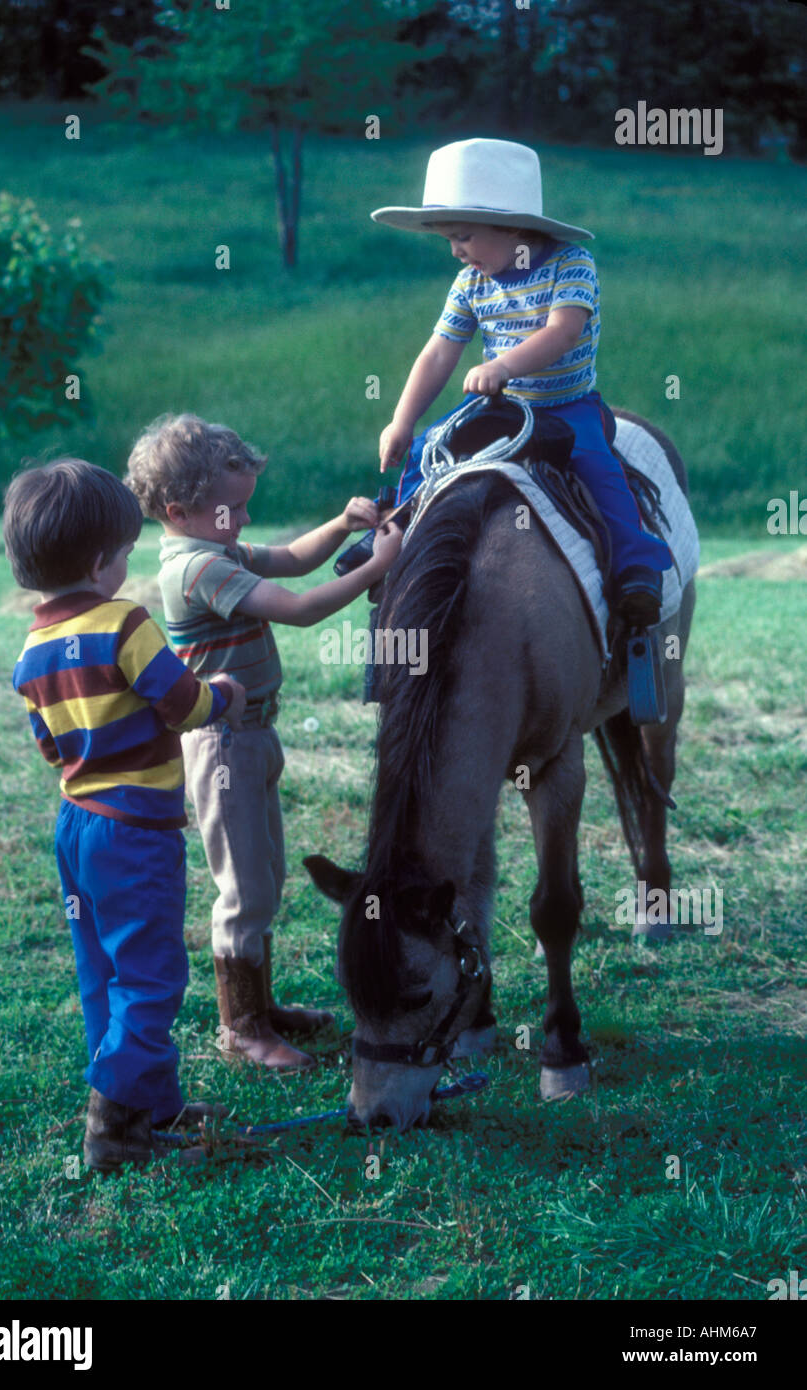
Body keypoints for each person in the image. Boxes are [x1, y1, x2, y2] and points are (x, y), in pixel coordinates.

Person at [125, 414, 402, 1071]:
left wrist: (343, 525)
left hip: (251, 737)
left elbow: (292, 559)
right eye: (234, 509)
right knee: (244, 889)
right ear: (178, 510)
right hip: (223, 745)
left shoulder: (212, 547)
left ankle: (260, 1006)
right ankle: (242, 1029)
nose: (245, 521)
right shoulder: (198, 569)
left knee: (264, 877)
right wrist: (377, 569)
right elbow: (301, 607)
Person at [5, 458, 246, 1173]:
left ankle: (151, 1104)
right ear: (102, 561)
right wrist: (225, 692)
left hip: (76, 827)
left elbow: (50, 745)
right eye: (128, 553)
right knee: (151, 978)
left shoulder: (30, 652)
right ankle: (112, 1132)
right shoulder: (125, 624)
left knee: (103, 974)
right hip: (135, 834)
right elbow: (184, 702)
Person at [337, 138, 671, 626]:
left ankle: (635, 564)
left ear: (512, 226)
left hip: (565, 404)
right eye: (448, 239)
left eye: (465, 236)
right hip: (504, 407)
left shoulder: (570, 263)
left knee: (597, 467)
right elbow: (439, 352)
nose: (456, 251)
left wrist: (504, 367)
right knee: (432, 448)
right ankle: (398, 528)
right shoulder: (472, 282)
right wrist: (401, 420)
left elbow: (564, 329)